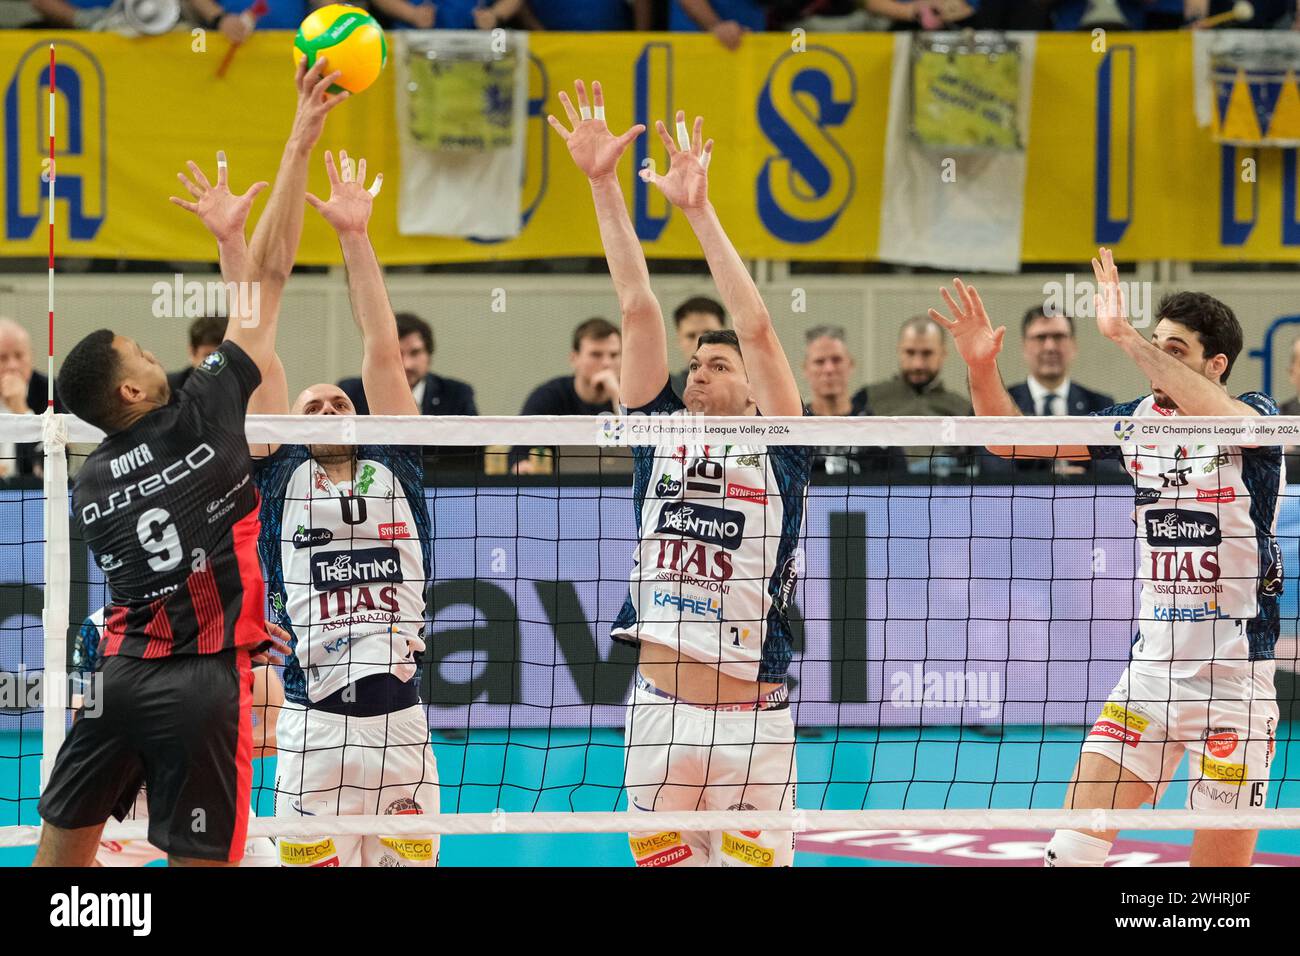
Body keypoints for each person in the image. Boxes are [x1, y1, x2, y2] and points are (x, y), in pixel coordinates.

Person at [31, 66, 328, 862]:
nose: (160, 354)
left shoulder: (91, 481)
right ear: (132, 386)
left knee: (61, 858)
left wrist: (233, 240)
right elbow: (264, 298)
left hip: (118, 676)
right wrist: (300, 136)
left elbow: (251, 303)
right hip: (204, 685)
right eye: (145, 351)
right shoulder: (201, 415)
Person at [931, 249, 1284, 867]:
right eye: (1156, 344)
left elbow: (1231, 422)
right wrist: (980, 369)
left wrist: (1121, 336)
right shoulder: (1136, 423)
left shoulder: (1256, 415)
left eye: (1176, 350)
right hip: (1149, 678)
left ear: (1216, 363)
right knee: (1069, 852)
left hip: (1235, 686)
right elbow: (1008, 441)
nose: (1157, 362)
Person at [548, 81, 809, 867]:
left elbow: (759, 326)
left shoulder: (781, 441)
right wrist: (601, 183)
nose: (697, 373)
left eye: (717, 364)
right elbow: (636, 306)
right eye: (694, 362)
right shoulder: (658, 434)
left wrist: (699, 212)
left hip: (753, 729)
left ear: (754, 388)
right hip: (659, 720)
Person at [248, 139, 440, 867]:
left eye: (339, 400)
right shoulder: (278, 476)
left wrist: (356, 239)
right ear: (291, 423)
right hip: (310, 732)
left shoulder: (397, 466)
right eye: (312, 403)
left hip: (402, 729)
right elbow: (259, 344)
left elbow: (382, 350)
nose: (329, 406)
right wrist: (243, 251)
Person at [71, 607, 283, 868]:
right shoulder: (99, 626)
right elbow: (85, 730)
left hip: (208, 795)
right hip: (125, 806)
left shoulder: (228, 622)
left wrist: (201, 755)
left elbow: (276, 732)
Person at [999, 306, 1116, 479]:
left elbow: (1111, 471)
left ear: (1074, 345)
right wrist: (1046, 478)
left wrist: (1080, 482)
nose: (1050, 346)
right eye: (1040, 337)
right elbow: (993, 468)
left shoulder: (1101, 406)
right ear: (1024, 346)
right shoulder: (1002, 405)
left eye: (1059, 336)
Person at [512, 317, 622, 473]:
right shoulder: (549, 396)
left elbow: (644, 450)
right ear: (574, 359)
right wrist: (522, 467)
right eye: (596, 355)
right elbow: (520, 452)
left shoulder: (636, 399)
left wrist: (616, 394)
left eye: (614, 355)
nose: (606, 363)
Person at [867, 315, 972, 474]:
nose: (918, 364)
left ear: (943, 353)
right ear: (898, 350)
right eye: (910, 352)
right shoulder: (869, 398)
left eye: (927, 353)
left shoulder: (963, 409)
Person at [337, 312, 476, 417]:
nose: (406, 365)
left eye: (415, 353)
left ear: (429, 355)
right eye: (396, 355)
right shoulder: (350, 393)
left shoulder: (456, 395)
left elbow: (473, 452)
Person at [801, 324, 884, 476]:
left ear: (850, 365)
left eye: (836, 360)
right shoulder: (796, 428)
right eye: (819, 362)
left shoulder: (876, 429)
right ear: (805, 369)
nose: (829, 369)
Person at [0, 317, 59, 479]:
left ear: (31, 356)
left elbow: (49, 465)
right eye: (3, 358)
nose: (12, 365)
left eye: (19, 356)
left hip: (32, 491)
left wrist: (20, 409)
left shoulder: (51, 392)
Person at [669, 296, 726, 399]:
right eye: (691, 336)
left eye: (709, 333)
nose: (700, 343)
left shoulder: (750, 385)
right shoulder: (668, 391)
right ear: (679, 341)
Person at [167, 315, 227, 395]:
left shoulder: (243, 390)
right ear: (192, 352)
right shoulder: (169, 388)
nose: (216, 365)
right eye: (208, 356)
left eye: (222, 357)